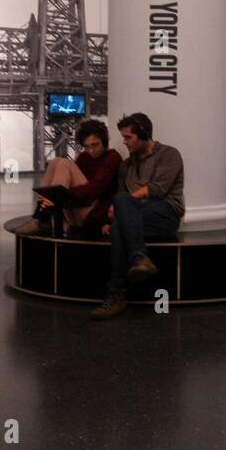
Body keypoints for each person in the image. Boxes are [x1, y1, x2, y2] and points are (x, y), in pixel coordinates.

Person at [89, 113, 185, 320]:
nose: (124, 142)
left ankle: (116, 294)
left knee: (123, 202)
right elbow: (122, 201)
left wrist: (123, 207)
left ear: (143, 135)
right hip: (136, 218)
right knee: (118, 223)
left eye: (128, 137)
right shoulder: (126, 166)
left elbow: (157, 189)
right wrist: (115, 216)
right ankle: (138, 260)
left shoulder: (169, 154)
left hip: (165, 213)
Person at [14, 119, 121, 238]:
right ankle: (42, 219)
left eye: (95, 145)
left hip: (94, 213)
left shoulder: (112, 157)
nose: (90, 150)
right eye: (86, 146)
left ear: (104, 141)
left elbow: (94, 189)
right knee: (56, 161)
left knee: (65, 164)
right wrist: (60, 195)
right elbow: (70, 179)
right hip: (74, 212)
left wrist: (62, 194)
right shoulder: (84, 156)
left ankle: (42, 218)